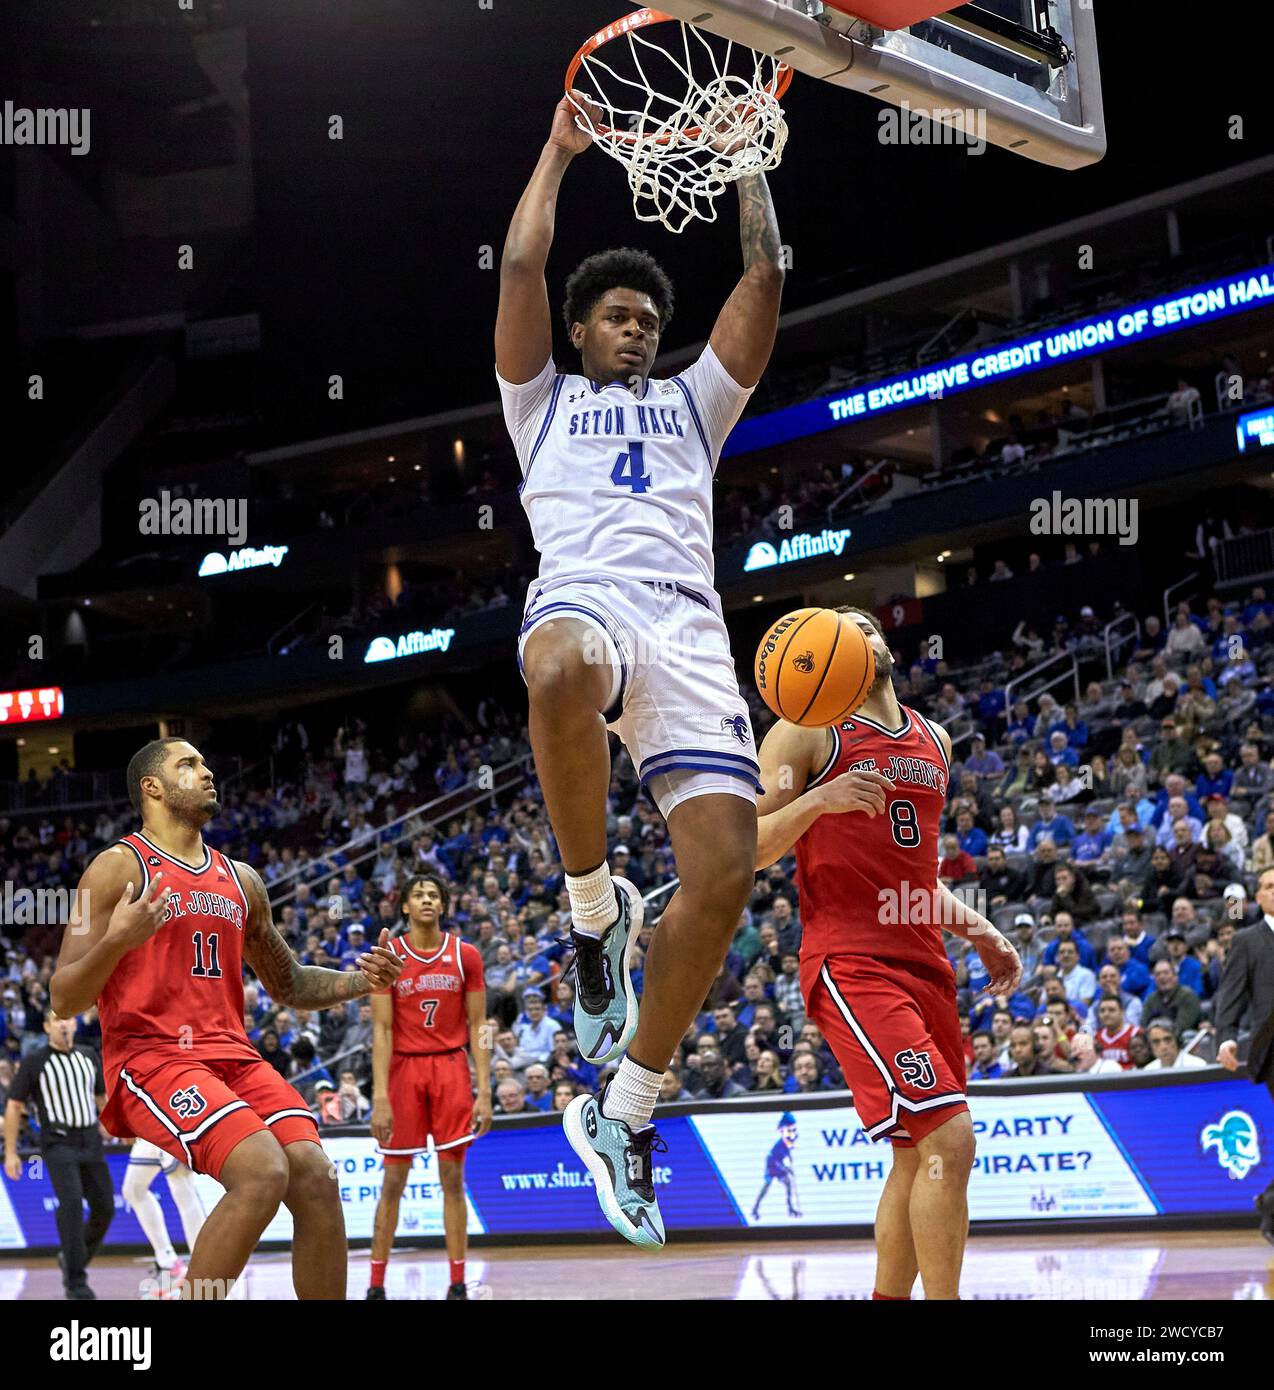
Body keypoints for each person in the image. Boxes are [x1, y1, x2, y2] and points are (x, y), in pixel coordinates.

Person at [498, 92, 784, 1247]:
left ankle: (624, 1111)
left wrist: (750, 162)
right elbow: (521, 263)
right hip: (585, 599)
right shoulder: (539, 400)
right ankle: (587, 908)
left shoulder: (692, 403)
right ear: (578, 332)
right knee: (558, 666)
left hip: (687, 630)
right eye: (614, 315)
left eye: (644, 317)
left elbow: (761, 285)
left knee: (721, 873)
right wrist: (560, 149)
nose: (633, 328)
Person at [49, 737, 402, 1300]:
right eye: (188, 765)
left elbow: (289, 983)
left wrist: (365, 980)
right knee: (261, 1169)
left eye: (206, 763)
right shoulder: (118, 868)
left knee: (314, 1174)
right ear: (152, 787)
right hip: (152, 1058)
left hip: (233, 1058)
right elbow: (64, 997)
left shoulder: (242, 880)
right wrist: (117, 939)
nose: (207, 772)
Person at [755, 606, 1022, 1301]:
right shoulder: (807, 728)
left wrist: (981, 932)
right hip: (851, 960)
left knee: (915, 1155)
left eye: (865, 626)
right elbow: (743, 849)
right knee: (951, 1140)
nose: (856, 636)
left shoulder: (935, 738)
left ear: (884, 647)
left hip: (924, 961)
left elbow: (915, 880)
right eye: (839, 628)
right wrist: (820, 802)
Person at [368, 874, 490, 1301]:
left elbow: (480, 1028)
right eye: (418, 894)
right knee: (392, 1182)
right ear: (404, 906)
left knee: (453, 1178)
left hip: (451, 1068)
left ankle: (457, 1282)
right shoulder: (390, 956)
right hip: (403, 1071)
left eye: (434, 895)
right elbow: (381, 1031)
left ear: (443, 906)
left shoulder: (466, 955)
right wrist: (380, 1096)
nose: (426, 900)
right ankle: (376, 1284)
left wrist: (485, 1091)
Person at [3, 1010, 113, 1299]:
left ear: (75, 1024)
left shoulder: (89, 1056)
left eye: (67, 1019)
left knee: (105, 1207)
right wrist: (11, 1152)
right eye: (57, 1020)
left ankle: (72, 1259)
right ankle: (76, 1283)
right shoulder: (34, 1062)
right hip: (57, 1141)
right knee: (72, 1204)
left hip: (90, 1138)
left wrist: (118, 1127)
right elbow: (14, 1107)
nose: (63, 1024)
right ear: (47, 1026)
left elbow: (102, 1100)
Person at [1215, 865, 1274, 1245]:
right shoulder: (1247, 940)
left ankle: (1269, 1204)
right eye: (1268, 886)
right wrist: (1226, 1037)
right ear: (1258, 897)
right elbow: (1231, 994)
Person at [123, 1137, 208, 1299]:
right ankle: (169, 1263)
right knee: (133, 1190)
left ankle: (204, 1272)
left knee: (183, 1187)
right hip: (147, 1127)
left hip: (172, 1121)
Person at [750, 1112, 801, 1221]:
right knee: (767, 1186)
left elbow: (788, 1152)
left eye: (793, 1130)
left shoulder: (789, 1141)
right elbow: (776, 1161)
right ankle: (755, 1209)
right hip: (772, 1164)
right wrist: (787, 1169)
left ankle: (790, 1209)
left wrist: (789, 1161)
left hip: (779, 1164)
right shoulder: (778, 1146)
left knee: (788, 1183)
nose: (791, 1133)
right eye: (789, 1130)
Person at [1143, 1020, 1208, 1071]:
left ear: (1177, 1041)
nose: (1163, 1047)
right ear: (1150, 1046)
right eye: (1156, 1042)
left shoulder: (1198, 1066)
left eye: (1168, 1039)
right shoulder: (1148, 1070)